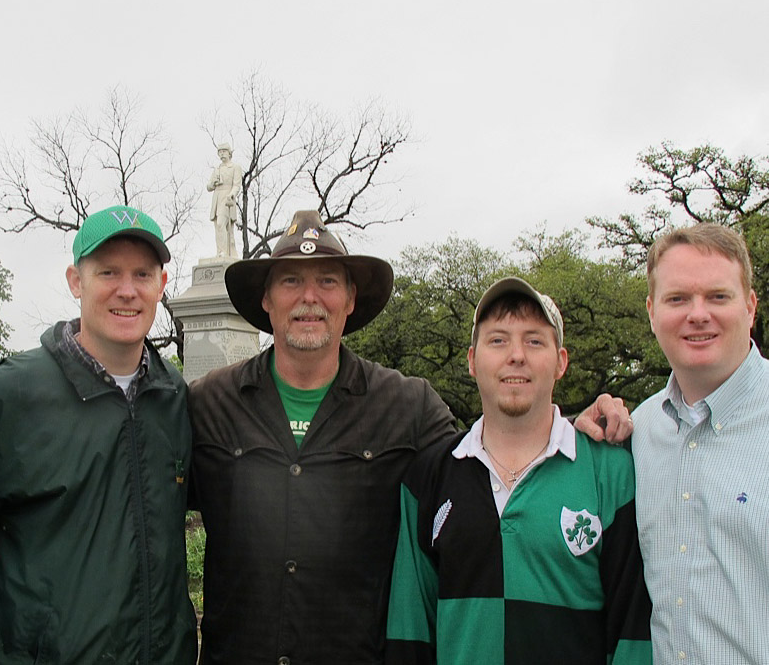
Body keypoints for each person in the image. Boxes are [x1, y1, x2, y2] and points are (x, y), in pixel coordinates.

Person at [188, 210, 633, 664]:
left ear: (350, 299)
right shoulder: (207, 404)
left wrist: (571, 428)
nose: (309, 297)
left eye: (327, 281)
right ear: (266, 299)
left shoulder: (407, 406)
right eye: (290, 282)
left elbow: (487, 457)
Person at [385, 277, 652, 664]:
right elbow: (410, 632)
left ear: (561, 361)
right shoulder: (428, 477)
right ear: (472, 360)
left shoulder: (610, 470)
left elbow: (632, 632)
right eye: (498, 340)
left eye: (534, 340)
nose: (516, 355)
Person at [0, 206, 196, 665]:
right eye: (108, 272)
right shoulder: (11, 393)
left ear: (161, 284)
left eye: (142, 274)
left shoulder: (174, 397)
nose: (127, 290)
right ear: (76, 281)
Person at [633, 222, 769, 663]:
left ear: (750, 306)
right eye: (678, 299)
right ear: (652, 311)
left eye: (717, 296)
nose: (698, 314)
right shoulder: (638, 431)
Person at [206, 142, 242, 258]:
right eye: (220, 152)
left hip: (227, 198)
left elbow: (237, 185)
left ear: (229, 152)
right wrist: (213, 183)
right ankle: (220, 251)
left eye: (224, 151)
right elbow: (208, 187)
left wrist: (231, 194)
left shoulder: (235, 167)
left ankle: (225, 252)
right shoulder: (217, 169)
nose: (222, 154)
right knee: (218, 226)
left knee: (222, 223)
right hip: (217, 198)